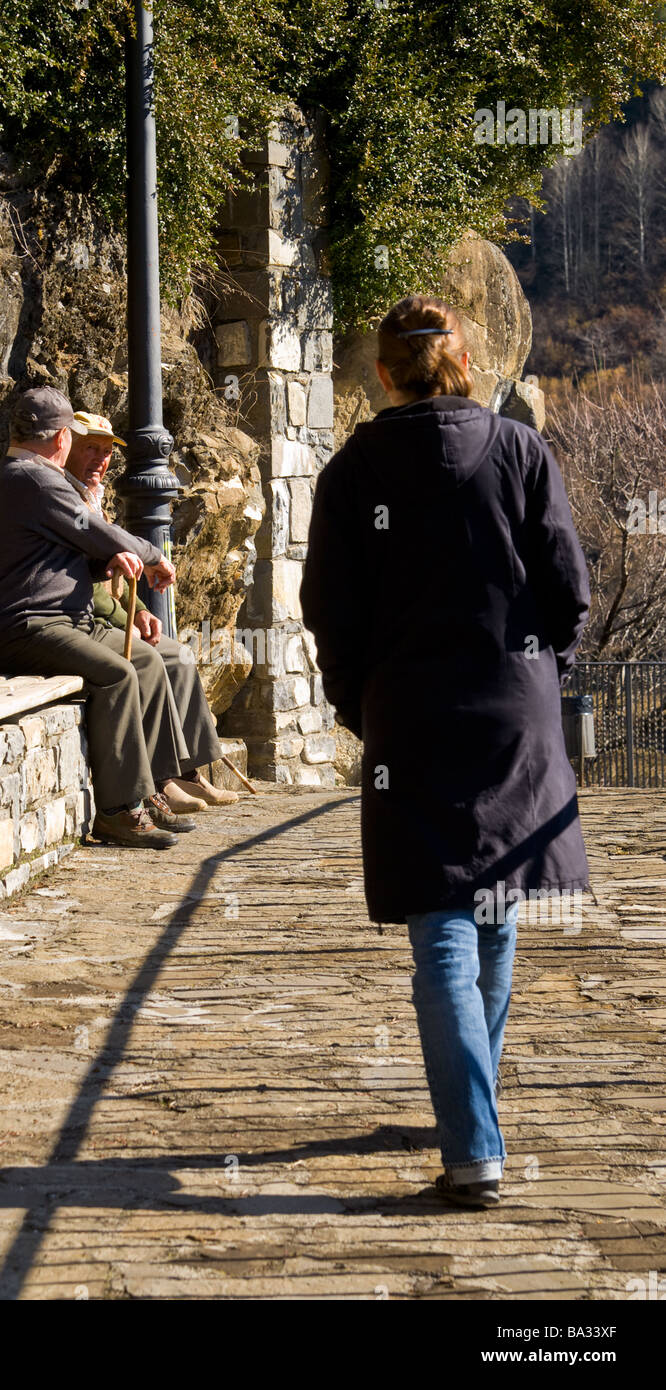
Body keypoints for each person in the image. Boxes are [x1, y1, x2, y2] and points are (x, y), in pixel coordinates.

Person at [300, 295, 591, 1209]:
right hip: (515, 717)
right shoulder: (518, 451)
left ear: (383, 374)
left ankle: (472, 1142)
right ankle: (474, 1116)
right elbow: (568, 587)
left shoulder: (352, 472)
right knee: (498, 911)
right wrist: (540, 673)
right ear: (466, 364)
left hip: (410, 720)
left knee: (443, 936)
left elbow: (328, 611)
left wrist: (362, 702)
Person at [0, 386, 219, 850]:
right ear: (62, 437)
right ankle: (119, 811)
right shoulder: (34, 479)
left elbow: (67, 553)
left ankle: (151, 788)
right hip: (24, 626)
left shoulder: (23, 475)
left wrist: (108, 564)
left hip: (55, 620)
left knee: (145, 661)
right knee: (117, 674)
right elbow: (96, 531)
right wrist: (152, 554)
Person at [64, 410, 237, 812]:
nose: (100, 460)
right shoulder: (66, 500)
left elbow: (114, 579)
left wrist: (139, 609)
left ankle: (189, 773)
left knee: (178, 655)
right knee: (153, 659)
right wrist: (130, 620)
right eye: (91, 448)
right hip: (79, 623)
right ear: (67, 445)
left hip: (103, 618)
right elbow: (88, 587)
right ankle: (161, 780)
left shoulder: (92, 497)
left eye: (107, 452)